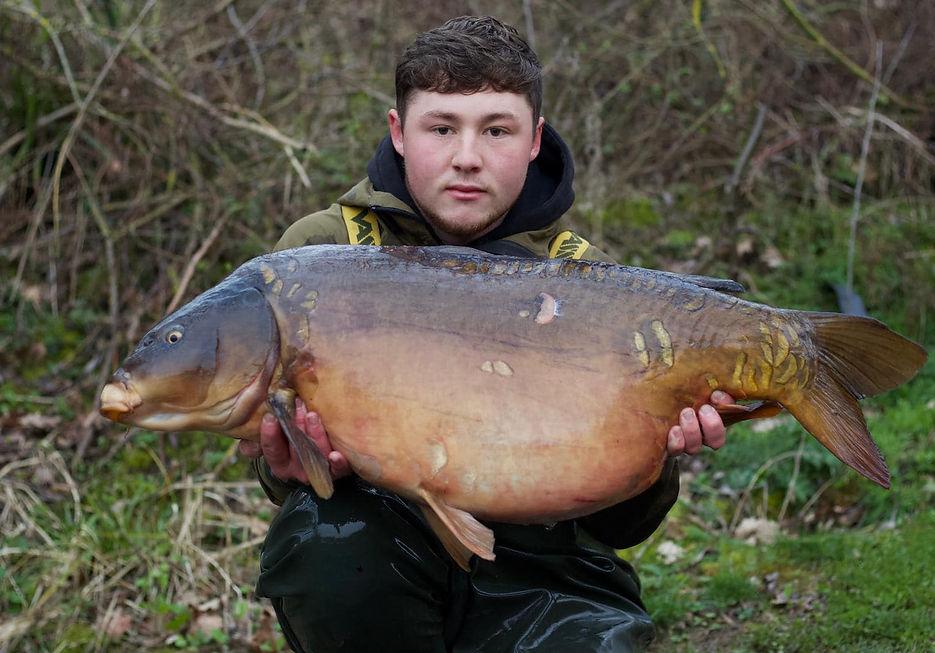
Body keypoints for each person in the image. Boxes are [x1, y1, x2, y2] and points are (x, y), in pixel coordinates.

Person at [239, 16, 732, 652]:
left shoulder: (591, 281)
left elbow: (621, 529)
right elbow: (281, 464)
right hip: (377, 544)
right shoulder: (321, 255)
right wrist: (288, 468)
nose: (467, 157)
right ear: (398, 132)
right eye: (441, 128)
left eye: (496, 130)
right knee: (326, 543)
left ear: (534, 140)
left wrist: (661, 455)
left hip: (547, 567)